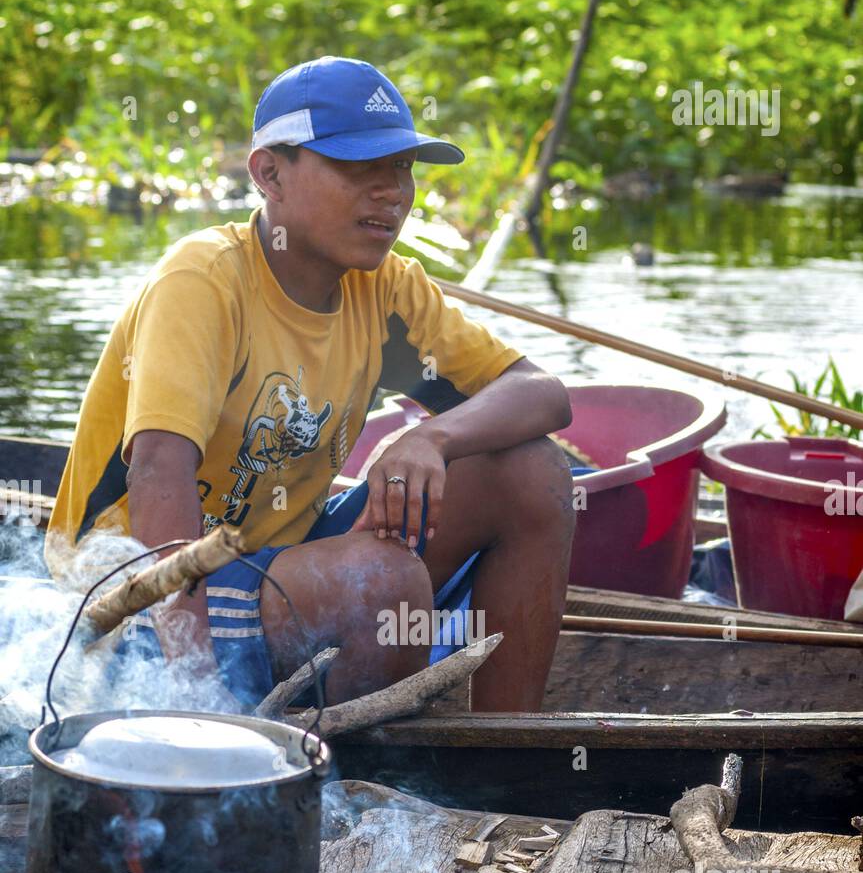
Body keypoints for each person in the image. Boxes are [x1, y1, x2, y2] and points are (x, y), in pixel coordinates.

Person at [46, 56, 574, 713]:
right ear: (269, 173)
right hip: (135, 597)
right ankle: (330, 754)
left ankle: (505, 756)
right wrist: (189, 697)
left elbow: (543, 394)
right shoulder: (204, 280)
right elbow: (159, 471)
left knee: (531, 470)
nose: (392, 193)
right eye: (359, 169)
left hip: (276, 563)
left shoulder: (386, 289)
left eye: (403, 168)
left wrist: (430, 437)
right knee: (381, 582)